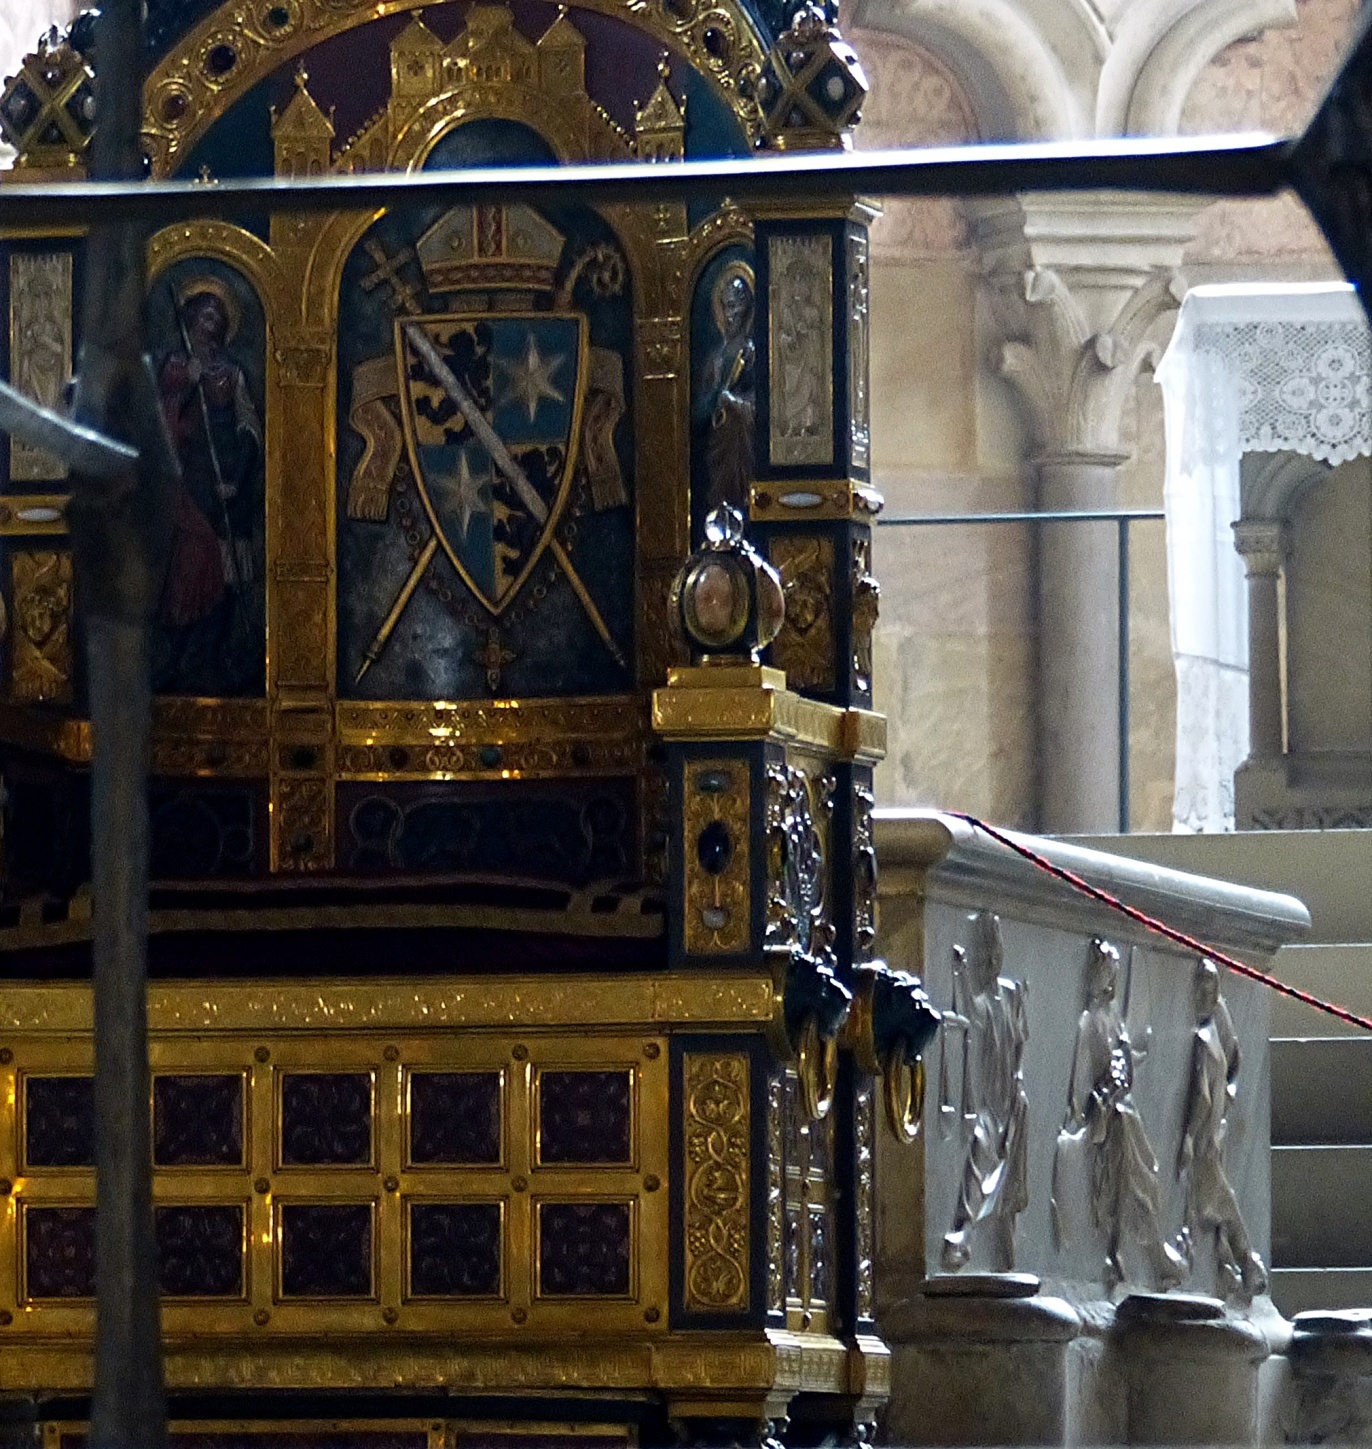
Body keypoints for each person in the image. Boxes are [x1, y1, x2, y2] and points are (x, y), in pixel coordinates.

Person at [1060, 939, 1187, 1291]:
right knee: (1128, 1184)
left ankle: (1133, 1253)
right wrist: (1098, 1098)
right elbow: (1077, 1085)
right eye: (1104, 972)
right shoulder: (1089, 1022)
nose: (1108, 981)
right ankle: (1143, 1254)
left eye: (1112, 973)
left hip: (1125, 1114)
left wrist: (1127, 1058)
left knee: (1141, 1179)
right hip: (1108, 1119)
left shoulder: (1113, 1015)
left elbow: (1125, 1057)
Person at [155, 284, 262, 694]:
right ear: (190, 321)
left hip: (225, 485)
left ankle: (211, 654)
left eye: (218, 318)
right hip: (185, 486)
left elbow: (249, 425)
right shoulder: (174, 368)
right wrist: (183, 388)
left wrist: (239, 476)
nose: (211, 324)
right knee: (192, 565)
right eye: (205, 316)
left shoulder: (232, 376)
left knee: (230, 568)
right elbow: (159, 427)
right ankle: (182, 655)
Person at [941, 912, 1030, 1272]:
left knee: (1011, 1189)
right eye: (986, 952)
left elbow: (1020, 1043)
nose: (992, 959)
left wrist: (1019, 1079)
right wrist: (960, 975)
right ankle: (961, 1235)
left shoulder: (1011, 995)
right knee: (980, 1158)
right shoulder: (980, 1001)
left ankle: (1006, 1260)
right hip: (987, 1102)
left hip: (1012, 1100)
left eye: (997, 951)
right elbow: (972, 1019)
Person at [1177, 959, 1268, 1300]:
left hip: (1206, 1138)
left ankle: (1243, 1263)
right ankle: (1240, 1264)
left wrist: (1192, 1134)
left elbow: (1206, 1092)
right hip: (1208, 1137)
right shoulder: (1212, 1032)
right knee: (1217, 1201)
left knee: (1219, 1201)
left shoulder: (1209, 1034)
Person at [699, 266, 755, 518]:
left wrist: (733, 403)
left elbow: (762, 404)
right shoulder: (716, 358)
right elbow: (701, 406)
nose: (732, 315)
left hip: (740, 440)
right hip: (719, 438)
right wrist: (713, 401)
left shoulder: (750, 353)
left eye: (737, 308)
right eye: (728, 307)